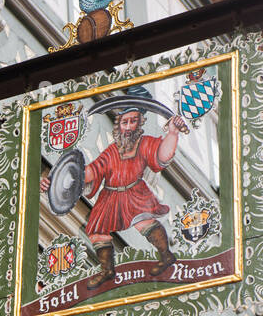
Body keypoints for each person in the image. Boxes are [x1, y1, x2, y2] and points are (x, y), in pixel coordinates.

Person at [41, 85, 187, 293]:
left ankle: (166, 255)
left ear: (140, 123)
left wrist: (172, 133)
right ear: (119, 125)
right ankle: (107, 270)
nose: (128, 126)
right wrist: (56, 181)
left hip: (134, 192)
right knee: (97, 231)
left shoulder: (144, 143)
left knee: (144, 221)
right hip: (110, 196)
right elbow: (90, 171)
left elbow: (162, 156)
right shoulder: (112, 151)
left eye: (133, 121)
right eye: (125, 122)